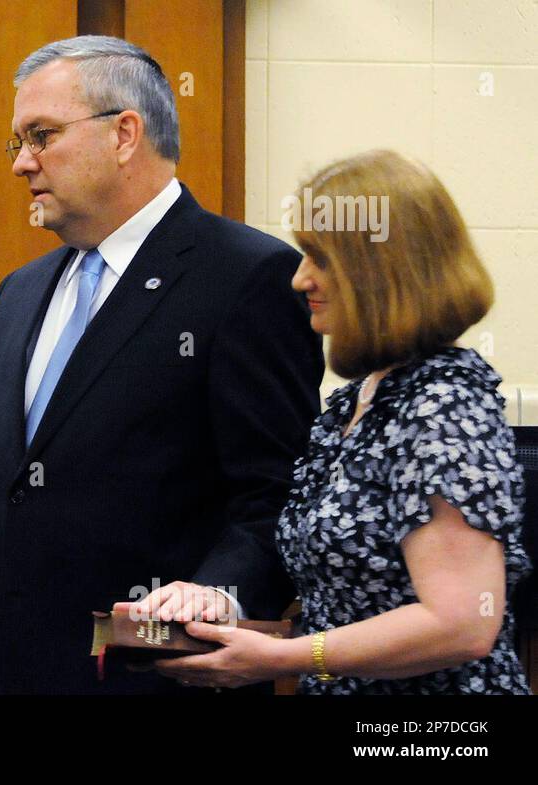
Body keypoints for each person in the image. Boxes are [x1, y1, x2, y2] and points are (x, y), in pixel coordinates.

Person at [0, 36, 323, 694]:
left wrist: (212, 596)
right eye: (17, 142)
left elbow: (279, 497)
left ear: (123, 133)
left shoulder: (247, 276)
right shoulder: (22, 291)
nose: (21, 164)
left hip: (155, 678)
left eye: (41, 135)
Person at [132, 150, 532, 694]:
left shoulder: (443, 407)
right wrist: (214, 607)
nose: (300, 280)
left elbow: (462, 625)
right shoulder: (357, 402)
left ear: (381, 269)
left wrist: (283, 657)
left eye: (320, 258)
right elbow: (344, 601)